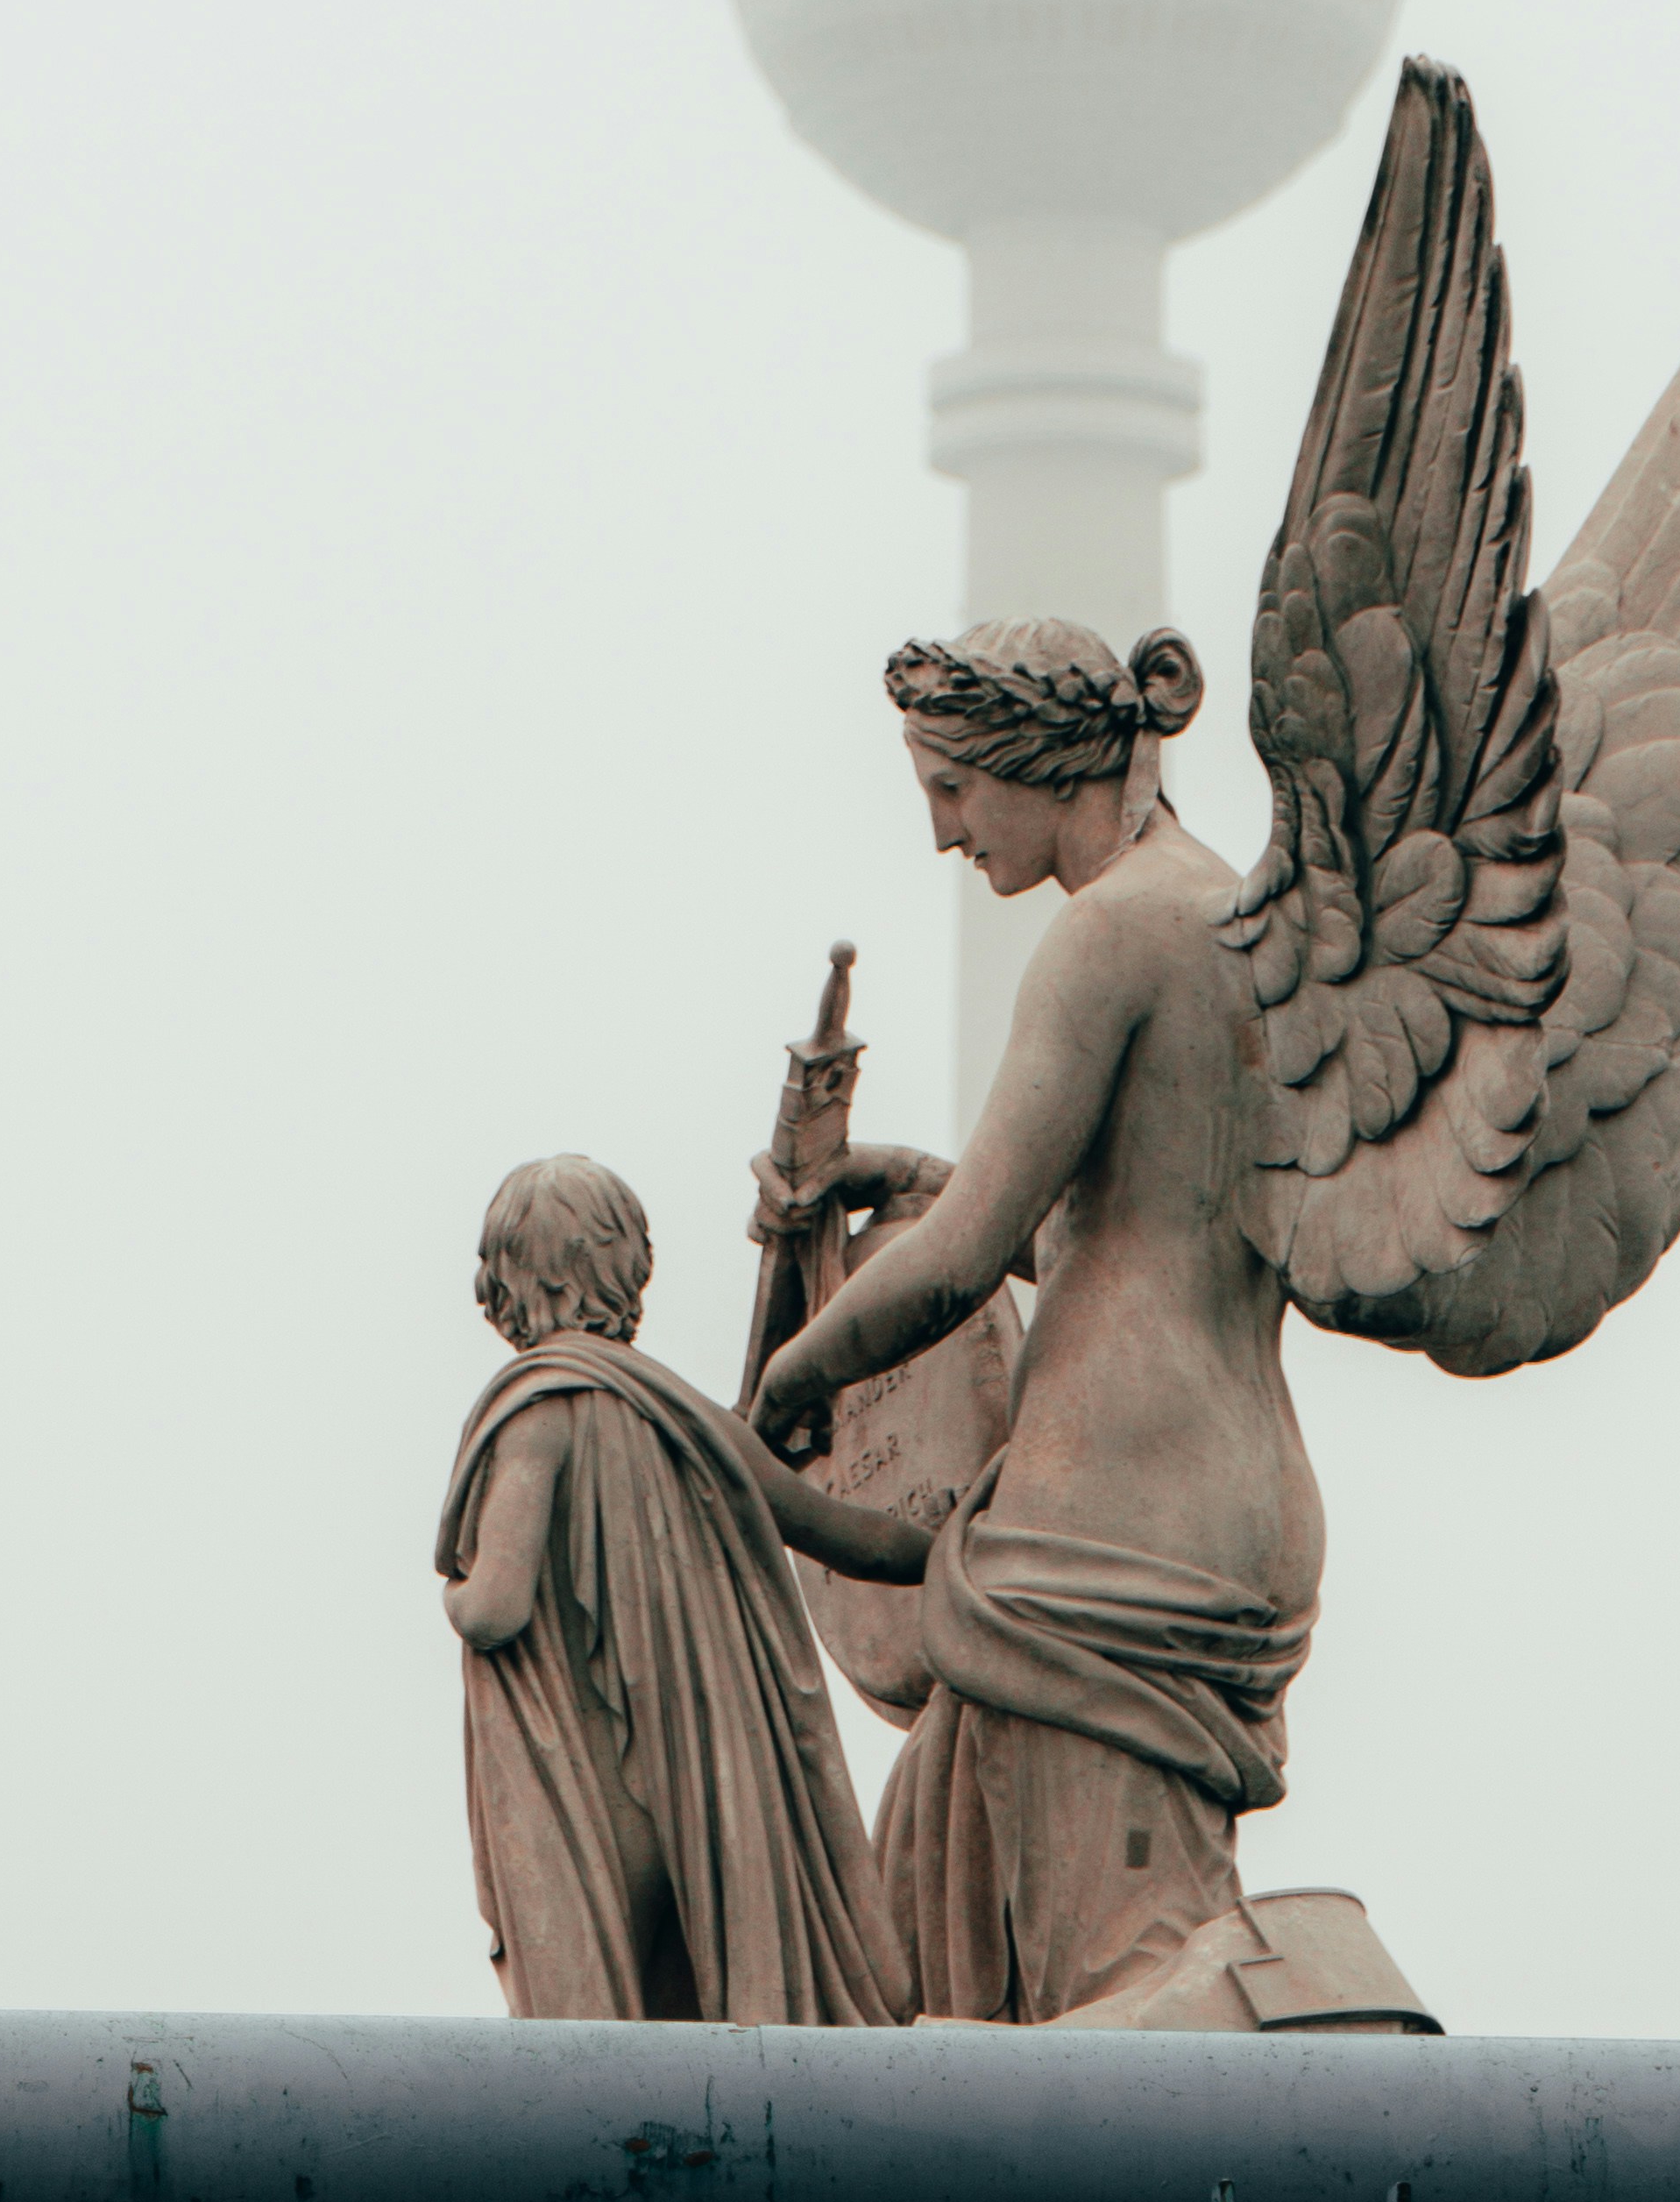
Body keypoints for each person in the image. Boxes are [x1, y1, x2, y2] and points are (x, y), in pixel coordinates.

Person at [749, 623, 1319, 2026]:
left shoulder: (1109, 931)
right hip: (1221, 1483)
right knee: (939, 1873)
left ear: (1030, 763)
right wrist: (912, 1181)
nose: (944, 834)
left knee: (1110, 1991)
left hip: (1104, 1511)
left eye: (952, 791)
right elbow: (1142, 1205)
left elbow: (964, 1261)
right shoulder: (1230, 914)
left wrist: (795, 1372)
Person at [439, 1152, 925, 2024]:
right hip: (711, 1788)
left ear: (507, 1280)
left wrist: (454, 1591)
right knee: (700, 2019)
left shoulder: (537, 1412)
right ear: (627, 1269)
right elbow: (847, 1533)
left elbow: (496, 1606)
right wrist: (969, 1534)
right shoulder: (699, 1419)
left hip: (591, 1795)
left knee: (609, 2041)